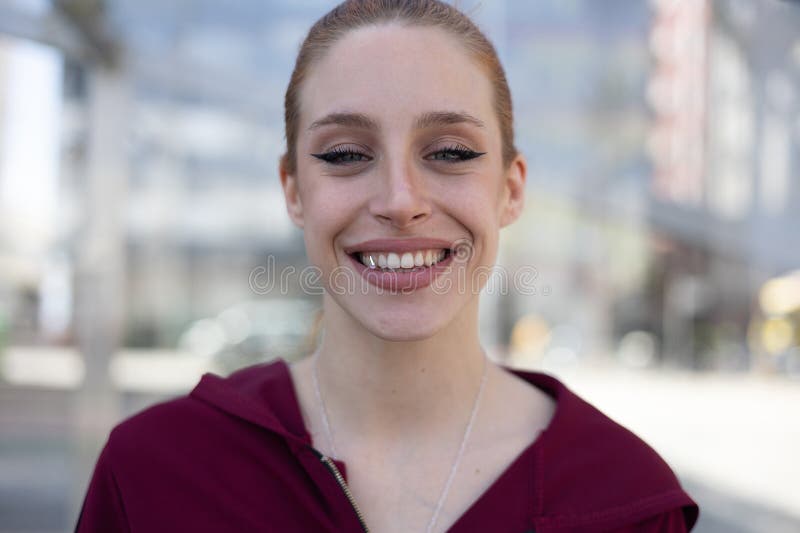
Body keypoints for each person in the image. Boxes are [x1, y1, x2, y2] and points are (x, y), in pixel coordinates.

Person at [75, 1, 699, 531]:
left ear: (510, 190)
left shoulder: (625, 499)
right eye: (346, 154)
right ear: (294, 191)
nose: (401, 201)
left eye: (449, 152)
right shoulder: (155, 473)